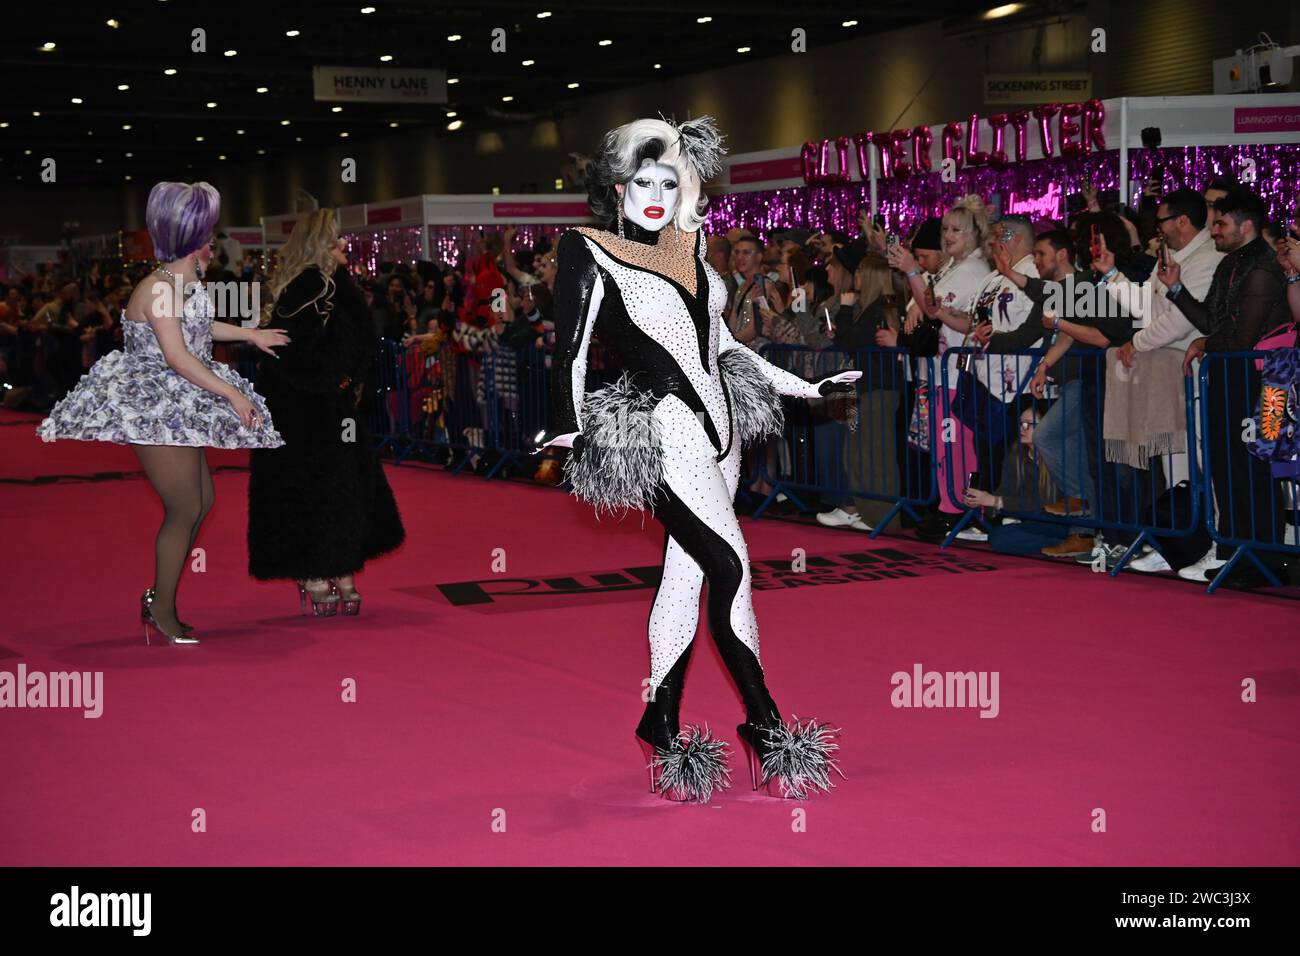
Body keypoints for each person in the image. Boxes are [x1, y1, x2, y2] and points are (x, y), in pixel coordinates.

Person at [539, 116, 858, 802]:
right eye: (640, 180)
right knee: (730, 564)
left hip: (724, 433)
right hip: (663, 429)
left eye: (668, 180)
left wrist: (805, 388)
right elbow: (570, 347)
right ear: (616, 187)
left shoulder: (691, 245)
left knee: (686, 581)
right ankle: (767, 725)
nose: (655, 192)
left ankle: (659, 721)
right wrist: (568, 427)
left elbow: (723, 348)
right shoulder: (587, 249)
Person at [37, 181, 286, 644]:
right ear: (193, 240)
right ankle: (161, 606)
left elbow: (199, 326)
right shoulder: (158, 288)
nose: (214, 245)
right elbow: (178, 356)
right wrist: (233, 396)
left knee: (202, 502)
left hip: (177, 400)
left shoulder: (177, 283)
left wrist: (252, 334)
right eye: (209, 235)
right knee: (185, 505)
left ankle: (159, 599)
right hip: (154, 404)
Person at [247, 210, 406, 615]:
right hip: (303, 408)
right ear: (320, 245)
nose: (343, 248)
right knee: (315, 487)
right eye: (335, 241)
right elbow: (287, 346)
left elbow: (354, 346)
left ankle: (339, 565)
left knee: (341, 486)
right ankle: (317, 569)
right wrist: (329, 382)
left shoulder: (333, 286)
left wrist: (346, 384)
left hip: (331, 405)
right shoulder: (313, 285)